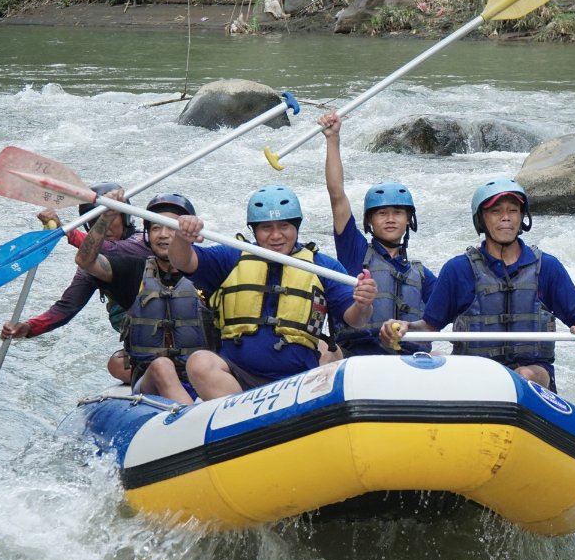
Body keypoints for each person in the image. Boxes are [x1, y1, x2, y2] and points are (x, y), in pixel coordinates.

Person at [380, 178, 575, 390]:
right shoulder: (458, 270)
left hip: (533, 372)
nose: (506, 218)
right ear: (481, 219)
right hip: (475, 372)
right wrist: (407, 327)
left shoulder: (548, 267)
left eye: (513, 210)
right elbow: (429, 326)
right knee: (436, 360)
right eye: (496, 211)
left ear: (522, 217)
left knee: (524, 375)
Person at [167, 185, 379, 400]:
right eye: (266, 228)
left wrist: (363, 304)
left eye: (284, 226)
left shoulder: (322, 266)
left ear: (296, 226)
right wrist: (183, 238)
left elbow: (356, 320)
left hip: (298, 379)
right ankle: (239, 421)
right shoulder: (231, 256)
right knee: (199, 362)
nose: (276, 236)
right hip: (238, 377)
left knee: (333, 358)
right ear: (254, 230)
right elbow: (182, 260)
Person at [0, 182, 149, 383]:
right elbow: (66, 308)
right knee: (116, 365)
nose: (101, 227)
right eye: (94, 221)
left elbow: (111, 251)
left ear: (125, 216)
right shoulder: (92, 266)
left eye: (109, 218)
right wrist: (28, 327)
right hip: (141, 344)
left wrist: (64, 231)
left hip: (172, 334)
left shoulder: (144, 243)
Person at [73, 192, 216, 404]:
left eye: (171, 227)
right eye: (156, 228)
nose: (163, 234)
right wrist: (106, 218)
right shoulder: (133, 270)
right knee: (162, 365)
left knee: (204, 362)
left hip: (201, 374)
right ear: (147, 235)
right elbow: (85, 261)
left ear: (187, 233)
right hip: (152, 381)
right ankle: (193, 423)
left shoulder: (211, 270)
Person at [318, 110, 437, 356]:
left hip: (409, 358)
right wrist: (332, 139)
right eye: (382, 214)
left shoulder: (423, 276)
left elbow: (437, 320)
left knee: (438, 356)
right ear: (370, 221)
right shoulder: (355, 251)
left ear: (408, 220)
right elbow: (337, 195)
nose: (391, 219)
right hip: (358, 355)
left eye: (398, 213)